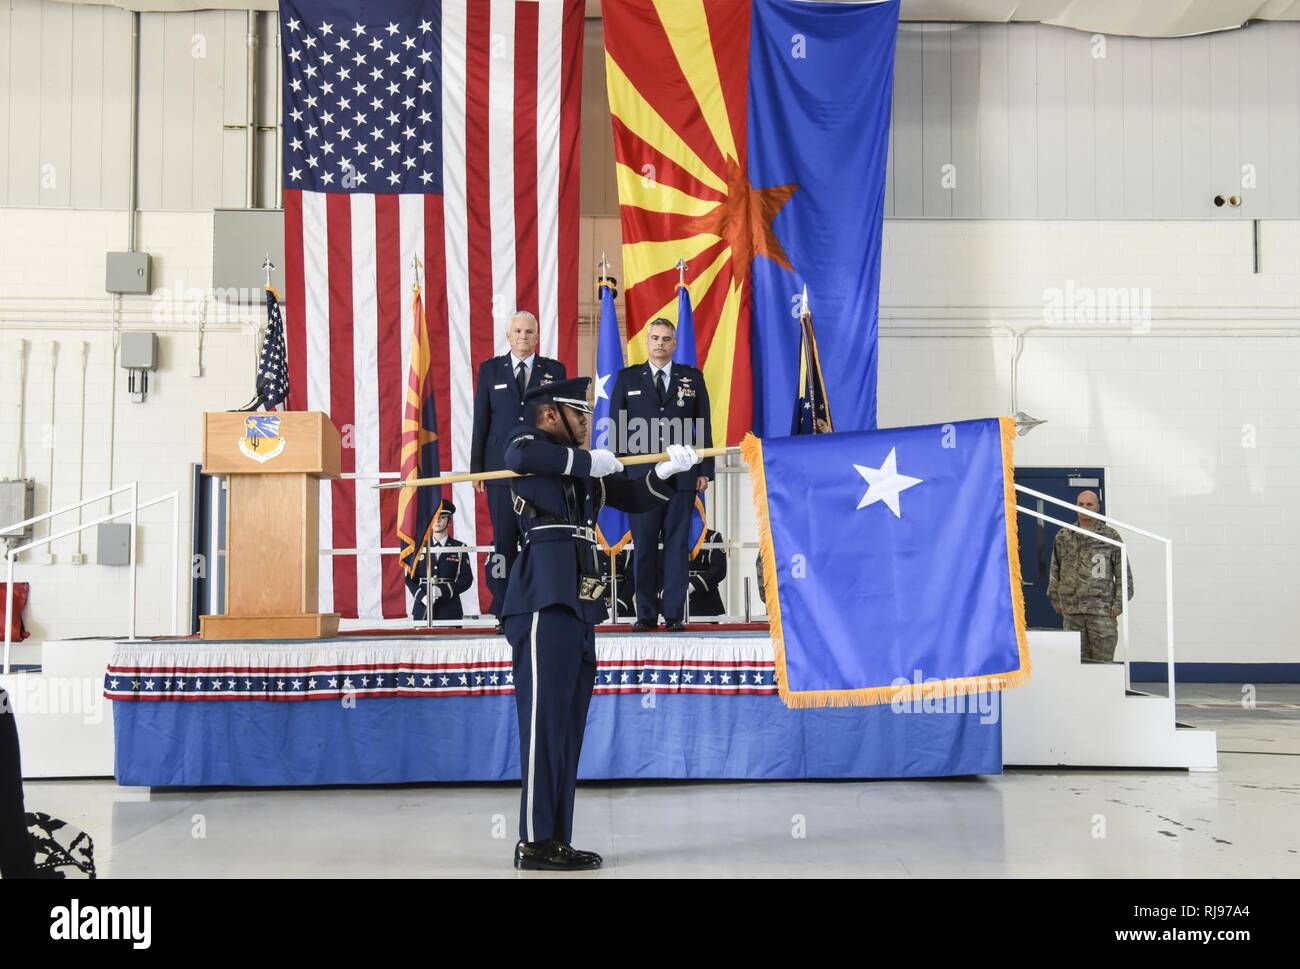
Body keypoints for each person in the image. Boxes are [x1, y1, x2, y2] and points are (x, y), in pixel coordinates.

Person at [500, 376, 698, 870]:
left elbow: (633, 496)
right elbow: (521, 460)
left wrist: (668, 471)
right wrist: (585, 461)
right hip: (544, 597)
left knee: (567, 725)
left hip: (581, 599)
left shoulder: (581, 465)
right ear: (551, 415)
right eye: (580, 415)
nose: (589, 425)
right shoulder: (528, 440)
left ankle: (554, 837)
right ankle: (532, 840)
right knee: (544, 722)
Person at [608, 318, 712, 632]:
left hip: (682, 478)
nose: (660, 344)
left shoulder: (691, 378)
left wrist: (705, 470)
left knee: (677, 546)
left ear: (675, 344)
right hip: (642, 481)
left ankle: (674, 614)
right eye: (655, 338)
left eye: (666, 339)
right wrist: (620, 472)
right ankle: (645, 614)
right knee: (644, 546)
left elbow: (703, 424)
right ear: (646, 341)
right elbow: (618, 427)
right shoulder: (627, 378)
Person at [470, 311, 566, 631]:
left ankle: (540, 604)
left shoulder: (554, 370)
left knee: (541, 540)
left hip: (542, 472)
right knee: (503, 544)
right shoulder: (490, 370)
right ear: (508, 336)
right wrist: (476, 470)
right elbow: (481, 422)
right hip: (500, 474)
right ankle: (504, 610)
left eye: (529, 331)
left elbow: (562, 424)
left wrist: (563, 466)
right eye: (518, 331)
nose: (523, 336)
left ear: (537, 336)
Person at [1047, 490, 1135, 663]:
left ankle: (1104, 691)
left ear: (1097, 507)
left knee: (1103, 663)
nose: (1085, 508)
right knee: (1075, 663)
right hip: (1072, 613)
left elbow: (1124, 574)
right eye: (1081, 504)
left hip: (1102, 613)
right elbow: (1054, 570)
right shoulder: (1064, 536)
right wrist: (1056, 599)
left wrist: (1118, 604)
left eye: (1089, 504)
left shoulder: (1111, 536)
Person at [405, 502, 472, 623]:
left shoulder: (460, 547)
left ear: (449, 521)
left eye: (442, 517)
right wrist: (422, 597)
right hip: (422, 608)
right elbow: (409, 579)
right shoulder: (418, 547)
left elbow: (466, 579)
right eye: (434, 517)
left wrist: (443, 590)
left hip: (450, 609)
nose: (437, 521)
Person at [687, 527, 727, 618]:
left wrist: (693, 585)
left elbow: (719, 570)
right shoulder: (668, 535)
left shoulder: (712, 537)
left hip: (705, 600)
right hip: (673, 598)